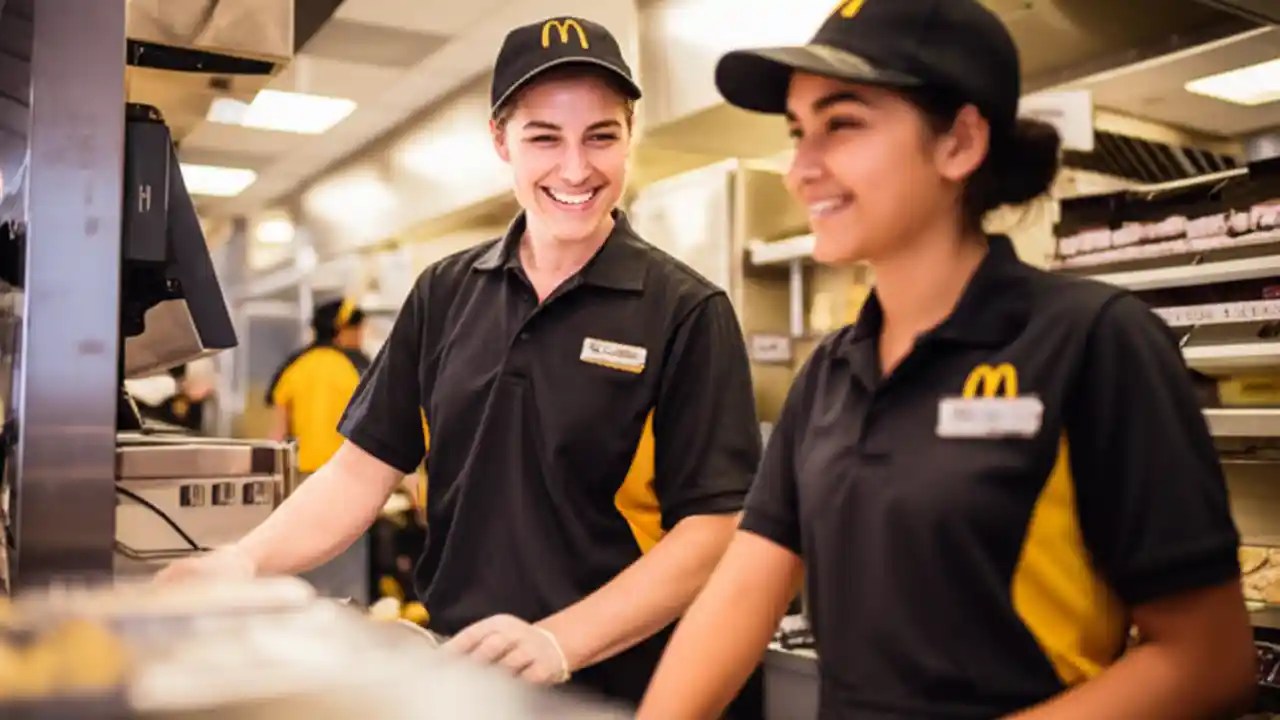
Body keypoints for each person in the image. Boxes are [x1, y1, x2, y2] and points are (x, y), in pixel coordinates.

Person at [637, 2, 1257, 719]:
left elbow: (1209, 659)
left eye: (842, 124)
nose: (800, 169)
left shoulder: (1092, 342)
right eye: (798, 133)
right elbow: (741, 595)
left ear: (959, 143)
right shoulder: (830, 374)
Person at [157, 16, 764, 715]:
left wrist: (559, 642)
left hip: (623, 683)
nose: (576, 169)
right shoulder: (445, 293)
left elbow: (715, 528)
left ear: (630, 137)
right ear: (501, 140)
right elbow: (362, 469)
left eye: (602, 136)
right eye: (545, 137)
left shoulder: (685, 310)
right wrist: (241, 561)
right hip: (467, 675)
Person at [265, 297, 371, 475]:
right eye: (358, 330)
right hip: (347, 474)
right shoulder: (357, 368)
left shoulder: (294, 367)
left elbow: (278, 433)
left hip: (303, 476)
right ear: (342, 331)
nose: (361, 337)